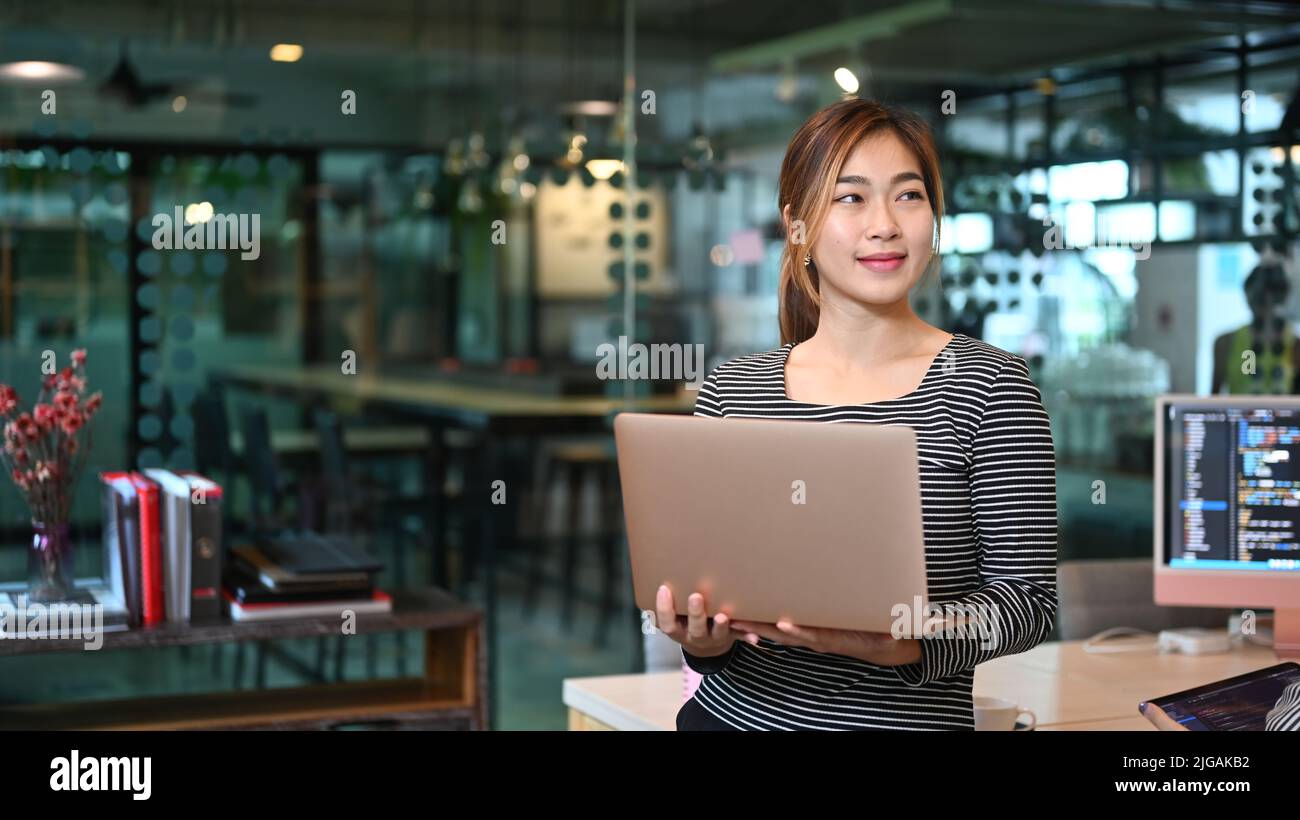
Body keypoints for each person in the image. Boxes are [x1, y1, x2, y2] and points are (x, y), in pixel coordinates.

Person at [657, 97, 1058, 730]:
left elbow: (1029, 603)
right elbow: (711, 612)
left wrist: (911, 642)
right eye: (850, 198)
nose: (884, 225)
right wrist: (700, 639)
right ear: (797, 226)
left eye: (908, 196)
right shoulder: (734, 392)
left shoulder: (989, 385)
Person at [1211, 261, 1300, 394]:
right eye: (1261, 299)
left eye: (1273, 298)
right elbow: (1212, 403)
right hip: (1238, 414)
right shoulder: (1225, 343)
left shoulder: (1296, 346)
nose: (1267, 306)